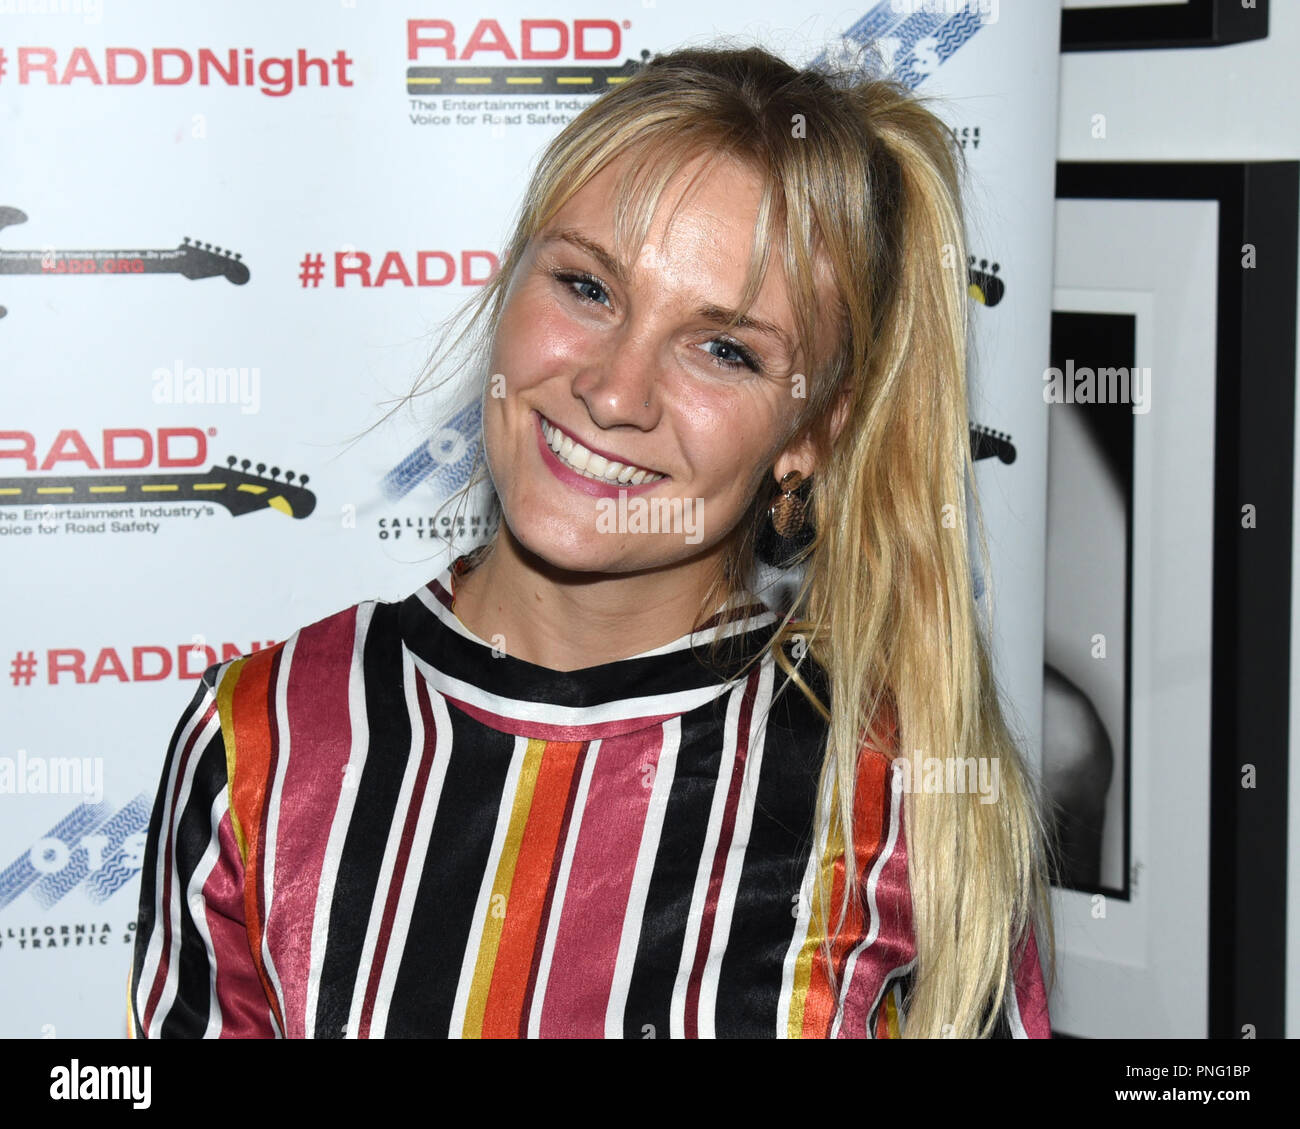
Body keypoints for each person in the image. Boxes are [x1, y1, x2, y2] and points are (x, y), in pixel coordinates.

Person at [128, 41, 1055, 1039]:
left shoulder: (905, 801)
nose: (613, 392)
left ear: (811, 435)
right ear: (509, 285)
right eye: (586, 287)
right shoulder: (262, 737)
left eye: (723, 349)